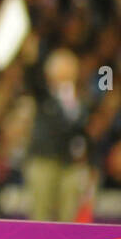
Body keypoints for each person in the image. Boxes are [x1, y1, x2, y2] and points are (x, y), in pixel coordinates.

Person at [21, 34, 93, 221]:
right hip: (44, 160)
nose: (65, 70)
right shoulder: (43, 95)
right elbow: (31, 78)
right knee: (41, 215)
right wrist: (30, 57)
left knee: (68, 216)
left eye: (69, 66)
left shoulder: (80, 99)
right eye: (60, 66)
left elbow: (83, 133)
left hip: (70, 164)